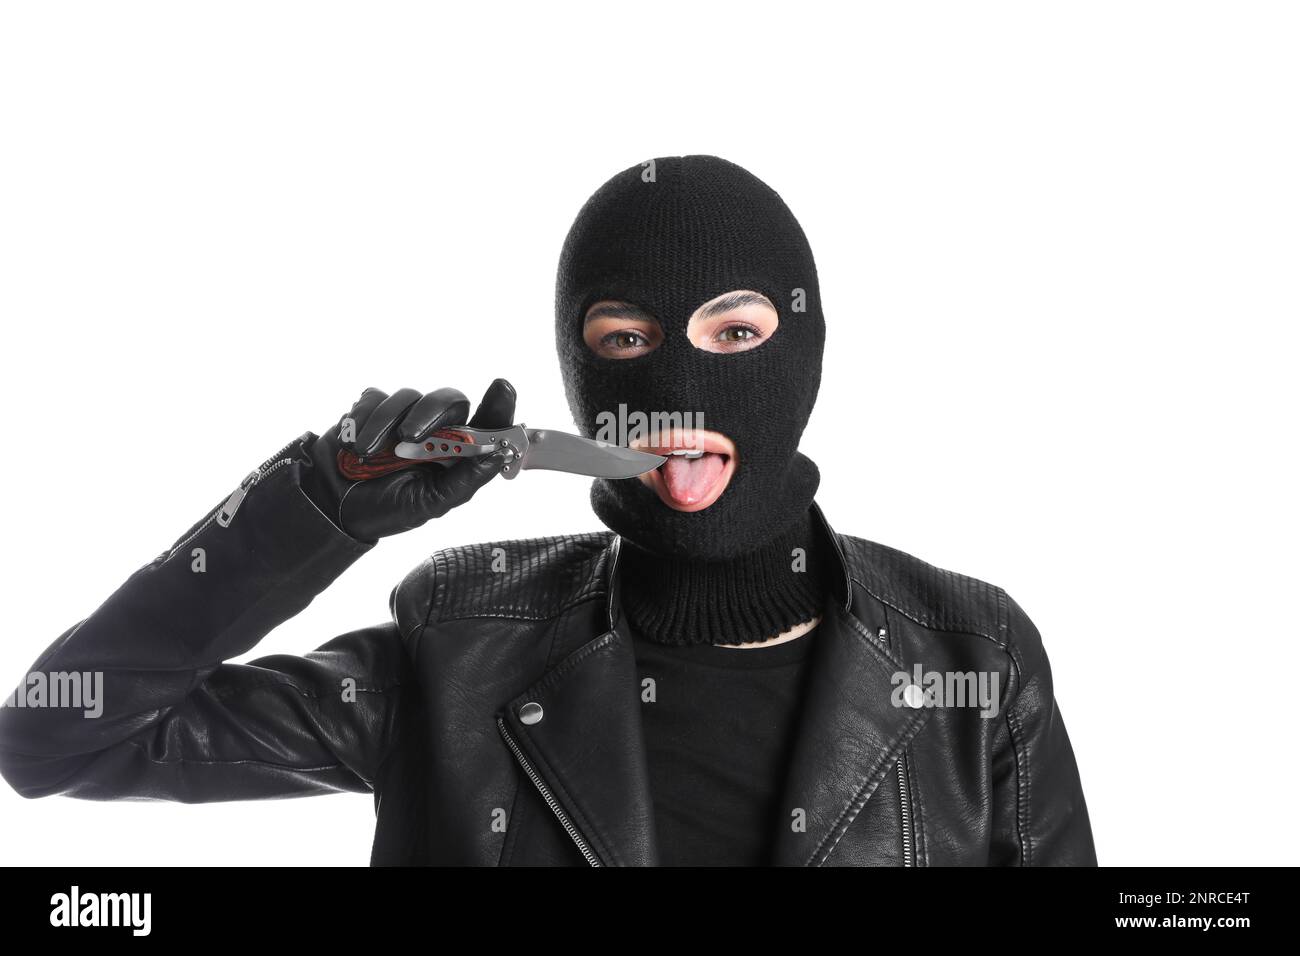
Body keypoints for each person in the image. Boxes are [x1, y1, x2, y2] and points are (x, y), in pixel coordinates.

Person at [0, 155, 1096, 866]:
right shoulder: (459, 650)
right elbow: (53, 735)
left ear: (803, 354)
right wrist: (311, 508)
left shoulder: (973, 657)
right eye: (625, 339)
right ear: (579, 375)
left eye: (735, 332)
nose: (677, 388)